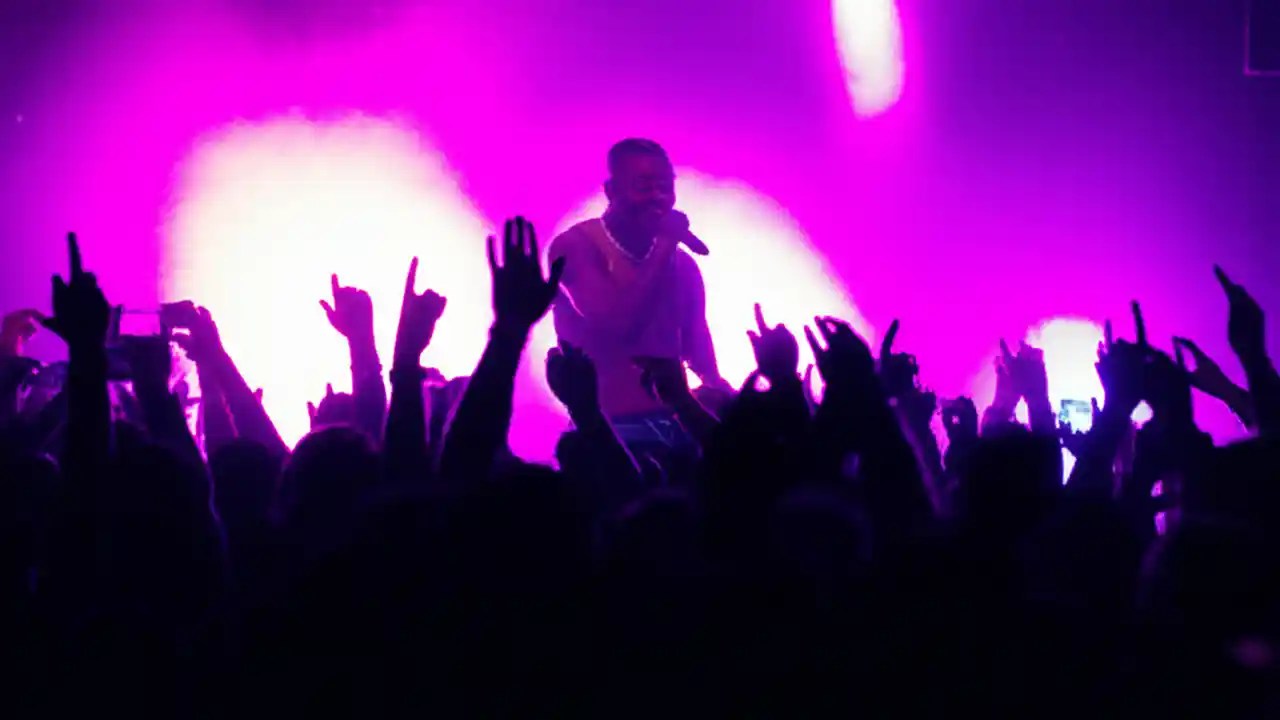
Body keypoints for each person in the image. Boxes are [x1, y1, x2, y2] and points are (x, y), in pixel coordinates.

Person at [548, 139, 728, 451]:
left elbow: (697, 345)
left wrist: (727, 395)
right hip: (607, 430)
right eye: (644, 186)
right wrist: (664, 246)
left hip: (677, 424)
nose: (658, 198)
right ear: (611, 191)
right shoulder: (577, 246)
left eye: (665, 187)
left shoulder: (681, 263)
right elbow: (616, 323)